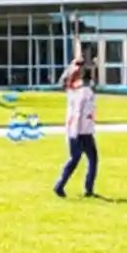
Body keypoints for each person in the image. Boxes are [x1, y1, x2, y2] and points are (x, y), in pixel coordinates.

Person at [54, 66, 98, 197]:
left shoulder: (74, 91)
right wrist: (77, 132)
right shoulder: (85, 92)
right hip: (82, 132)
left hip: (76, 131)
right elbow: (79, 113)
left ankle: (60, 185)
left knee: (76, 159)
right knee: (90, 159)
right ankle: (86, 188)